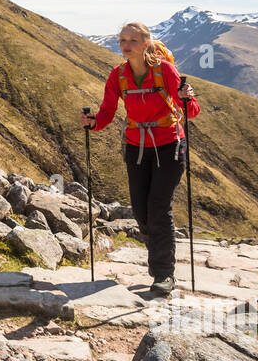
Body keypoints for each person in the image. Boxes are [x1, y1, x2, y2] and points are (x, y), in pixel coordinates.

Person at [79, 21, 199, 295]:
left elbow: (190, 111)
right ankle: (158, 253)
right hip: (136, 147)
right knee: (141, 212)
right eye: (123, 40)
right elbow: (107, 112)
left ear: (146, 44)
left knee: (158, 207)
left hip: (170, 145)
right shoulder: (118, 75)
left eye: (133, 40)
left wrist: (187, 98)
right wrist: (92, 122)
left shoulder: (165, 70)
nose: (126, 45)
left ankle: (163, 274)